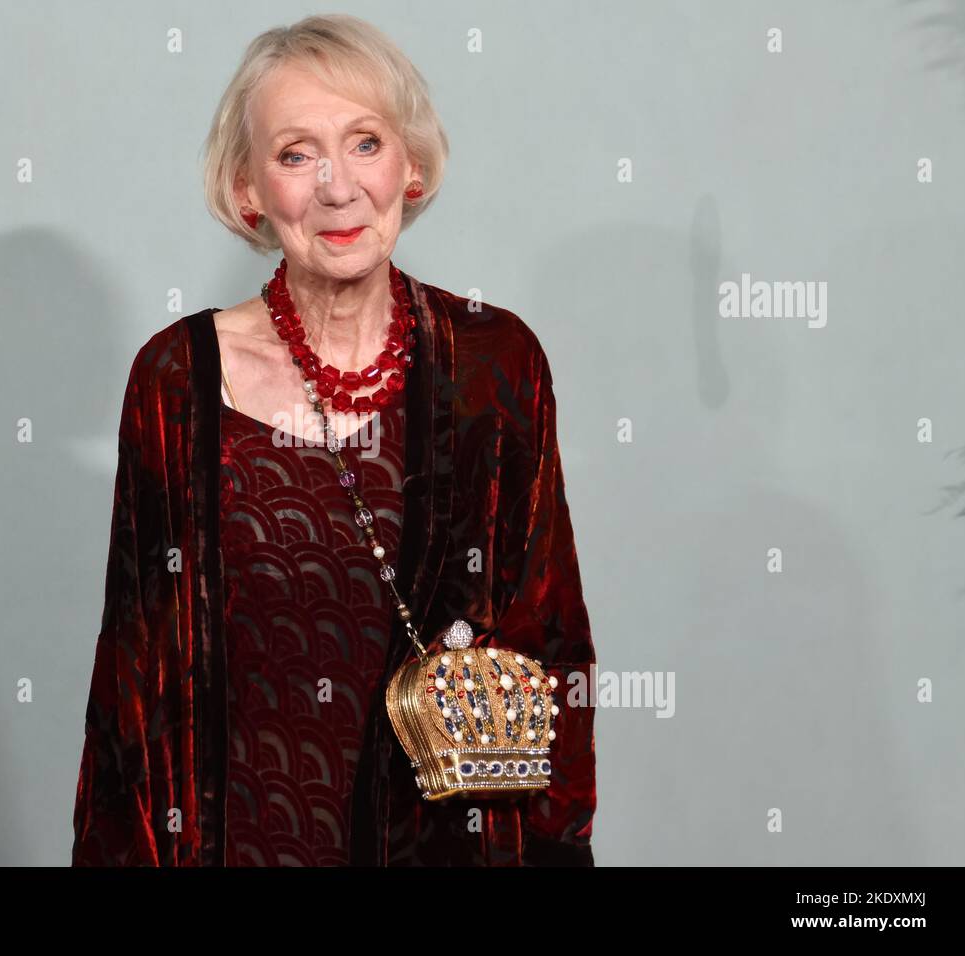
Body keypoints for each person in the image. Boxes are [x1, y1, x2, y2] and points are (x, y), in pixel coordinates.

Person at [72, 13, 596, 866]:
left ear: (411, 165)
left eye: (364, 143)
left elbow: (552, 643)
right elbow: (137, 686)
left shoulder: (495, 363)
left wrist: (562, 852)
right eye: (295, 154)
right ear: (248, 189)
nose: (337, 187)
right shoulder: (175, 377)